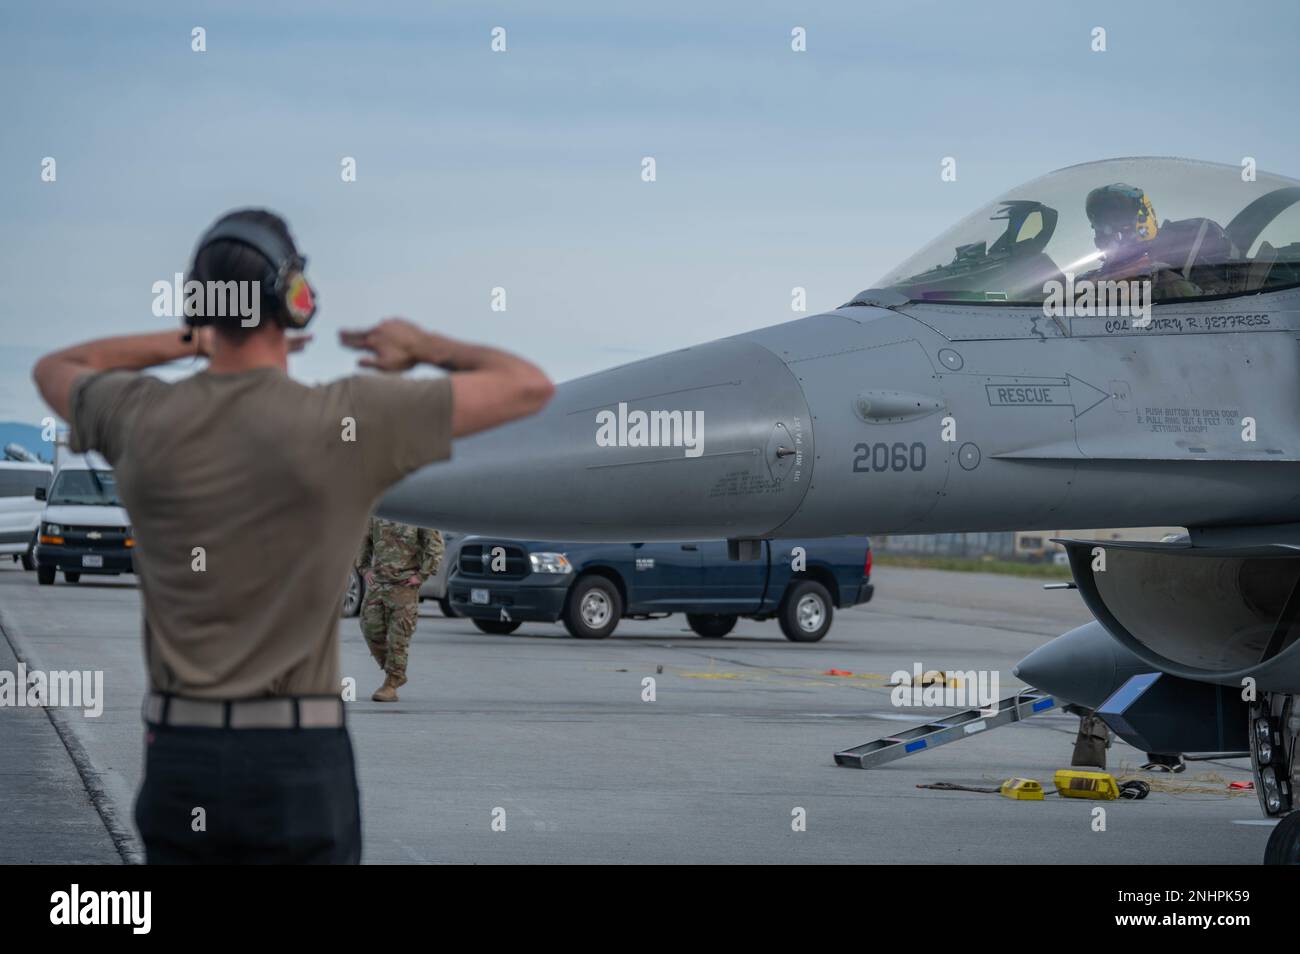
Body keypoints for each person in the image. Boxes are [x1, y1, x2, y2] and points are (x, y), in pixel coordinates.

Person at [31, 208, 553, 863]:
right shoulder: (346, 420)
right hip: (298, 764)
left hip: (179, 758)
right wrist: (423, 346)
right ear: (294, 300)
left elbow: (58, 365)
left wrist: (191, 341)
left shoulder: (139, 417)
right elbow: (527, 387)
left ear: (200, 304)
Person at [356, 517, 443, 702]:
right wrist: (364, 568)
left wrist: (422, 575)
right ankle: (395, 670)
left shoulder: (416, 512)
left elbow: (434, 547)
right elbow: (364, 540)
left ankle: (392, 682)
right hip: (378, 583)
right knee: (369, 628)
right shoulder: (380, 512)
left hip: (404, 586)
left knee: (399, 636)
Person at [1082, 183, 1202, 298]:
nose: (1109, 229)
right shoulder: (1085, 284)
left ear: (1144, 219)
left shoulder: (1166, 283)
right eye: (1103, 222)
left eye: (1118, 219)